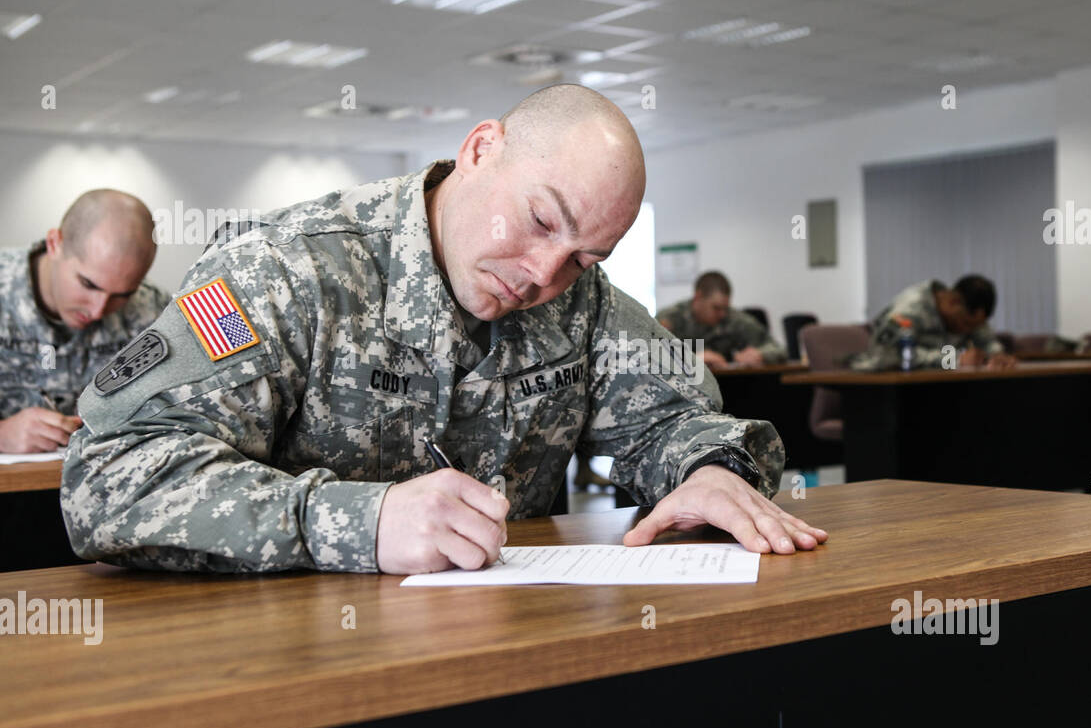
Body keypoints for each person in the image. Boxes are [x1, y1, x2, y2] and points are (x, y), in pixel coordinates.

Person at [62, 85, 826, 575]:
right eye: (538, 221)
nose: (543, 274)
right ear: (479, 148)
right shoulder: (284, 272)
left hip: (498, 659)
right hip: (279, 671)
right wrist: (357, 521)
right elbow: (106, 476)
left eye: (584, 256)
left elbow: (676, 417)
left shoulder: (579, 302)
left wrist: (708, 470)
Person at [0, 190, 166, 453]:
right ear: (55, 243)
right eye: (88, 284)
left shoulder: (153, 312)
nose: (98, 310)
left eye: (122, 295)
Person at [848, 275, 1015, 371]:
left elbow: (986, 340)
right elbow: (893, 356)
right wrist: (955, 359)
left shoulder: (967, 312)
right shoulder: (910, 309)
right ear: (953, 302)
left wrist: (997, 356)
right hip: (881, 391)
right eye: (966, 324)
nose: (968, 331)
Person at [656, 271, 786, 367]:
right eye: (716, 308)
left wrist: (760, 354)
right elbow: (646, 358)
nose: (722, 314)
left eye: (725, 308)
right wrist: (692, 360)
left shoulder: (734, 320)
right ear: (698, 297)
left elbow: (778, 349)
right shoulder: (671, 319)